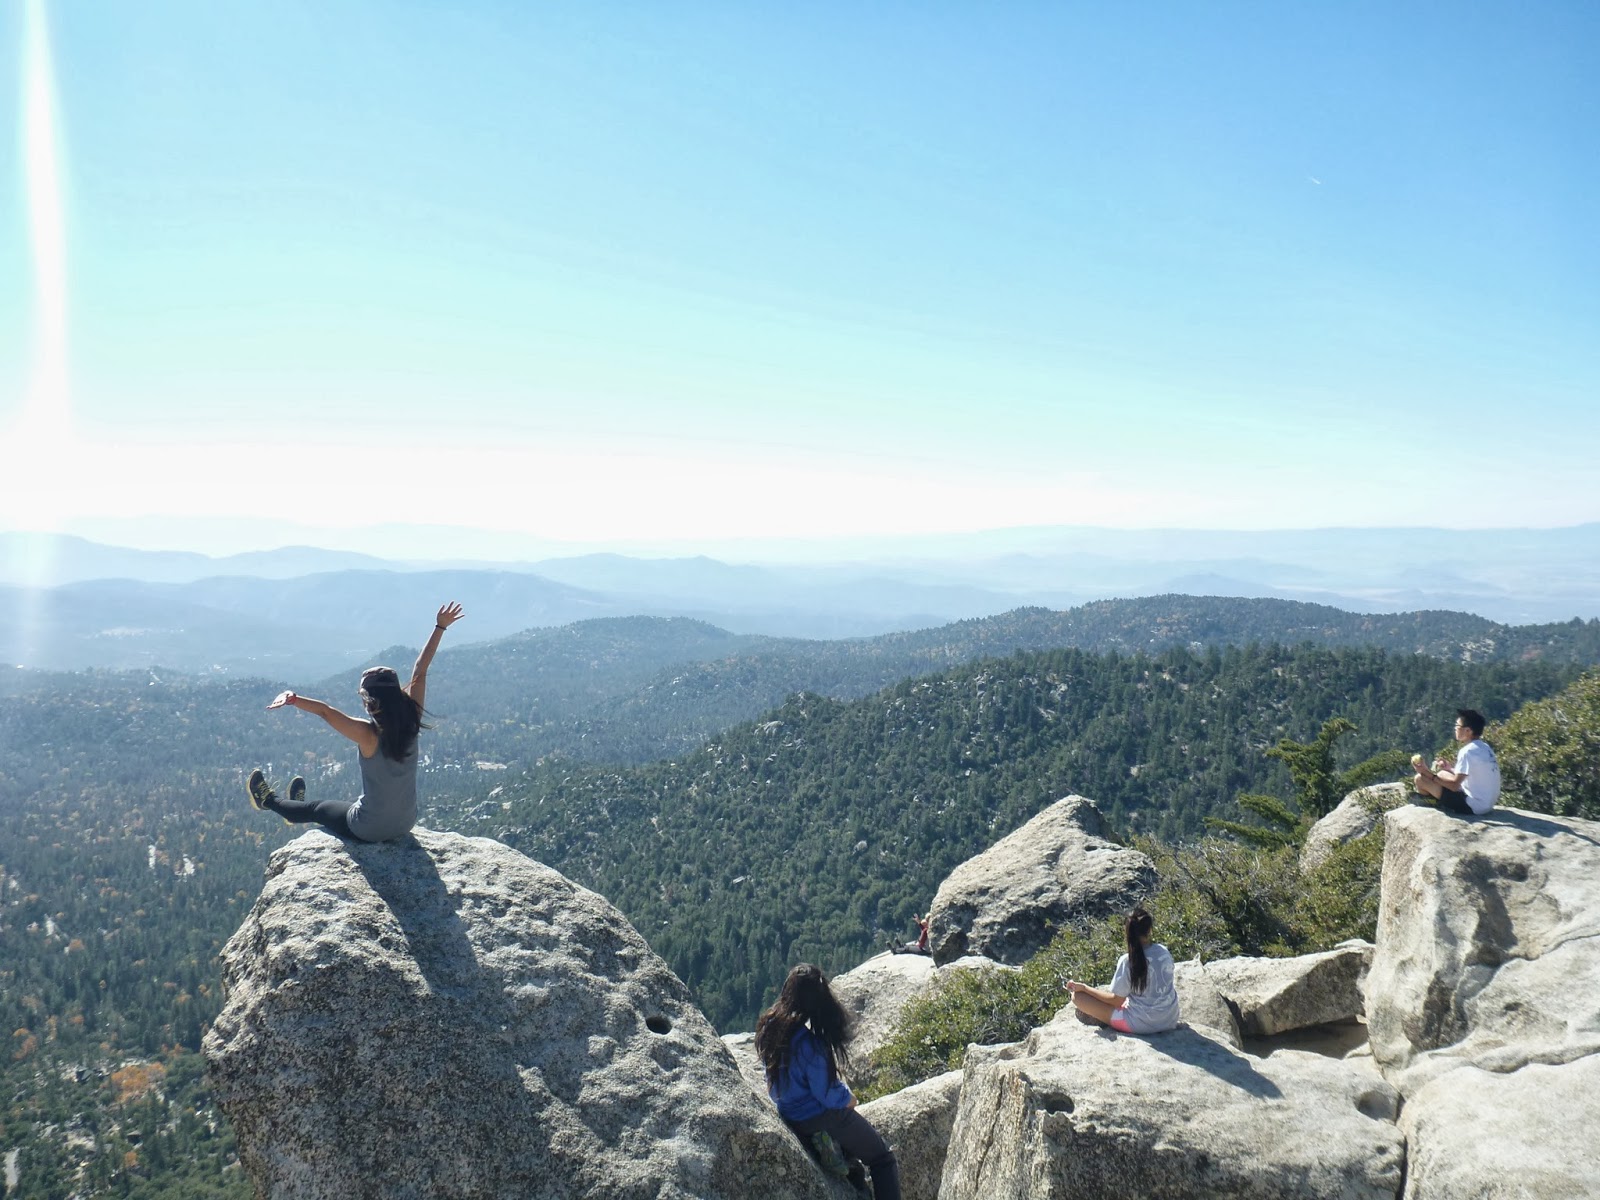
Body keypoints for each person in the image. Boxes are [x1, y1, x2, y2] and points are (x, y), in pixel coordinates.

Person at [247, 602, 464, 841]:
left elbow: (326, 712)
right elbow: (419, 672)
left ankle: (269, 801)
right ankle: (294, 807)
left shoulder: (368, 734)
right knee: (341, 806)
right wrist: (440, 627)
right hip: (405, 823)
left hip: (369, 829)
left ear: (371, 703)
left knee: (317, 809)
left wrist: (293, 699)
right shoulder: (411, 721)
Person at [755, 963, 901, 1200]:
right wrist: (849, 1098)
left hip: (790, 1115)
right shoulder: (809, 1045)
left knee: (853, 1159)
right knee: (882, 1159)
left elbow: (773, 1086)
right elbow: (827, 1095)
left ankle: (844, 1163)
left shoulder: (769, 1029)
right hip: (819, 1116)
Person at [1065, 907, 1181, 1034]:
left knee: (1078, 997)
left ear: (1127, 931)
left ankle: (1105, 1019)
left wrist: (1085, 988)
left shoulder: (1128, 961)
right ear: (1149, 929)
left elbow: (1116, 1001)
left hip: (1140, 1024)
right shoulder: (1163, 951)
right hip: (1170, 1019)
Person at [1412, 708, 1501, 816]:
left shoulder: (1467, 752)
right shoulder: (1484, 747)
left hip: (1472, 806)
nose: (1455, 729)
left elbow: (1454, 786)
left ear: (1468, 731)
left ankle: (1432, 802)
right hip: (1486, 804)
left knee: (1420, 779)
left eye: (1457, 726)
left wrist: (1426, 772)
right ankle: (1434, 798)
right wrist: (1449, 769)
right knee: (1443, 773)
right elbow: (1473, 774)